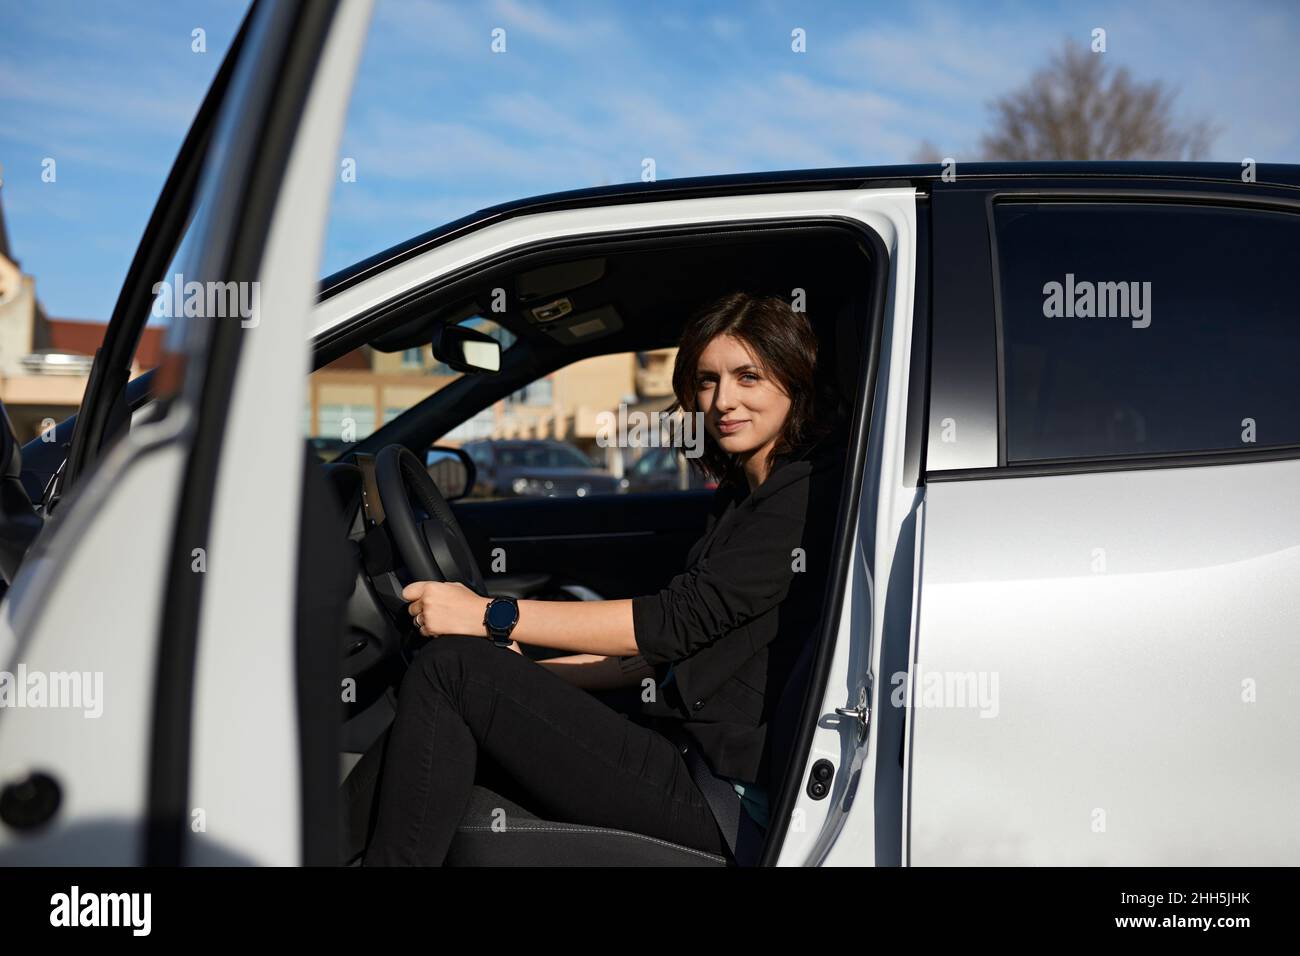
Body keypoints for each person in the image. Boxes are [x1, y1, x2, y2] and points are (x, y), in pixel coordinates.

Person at [356, 290, 848, 866]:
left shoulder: (803, 496)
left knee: (451, 671)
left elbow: (668, 625)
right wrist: (523, 672)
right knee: (470, 679)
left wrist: (489, 615)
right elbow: (654, 661)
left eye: (748, 377)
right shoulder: (747, 493)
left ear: (793, 379)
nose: (723, 402)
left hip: (724, 796)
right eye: (708, 381)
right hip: (684, 746)